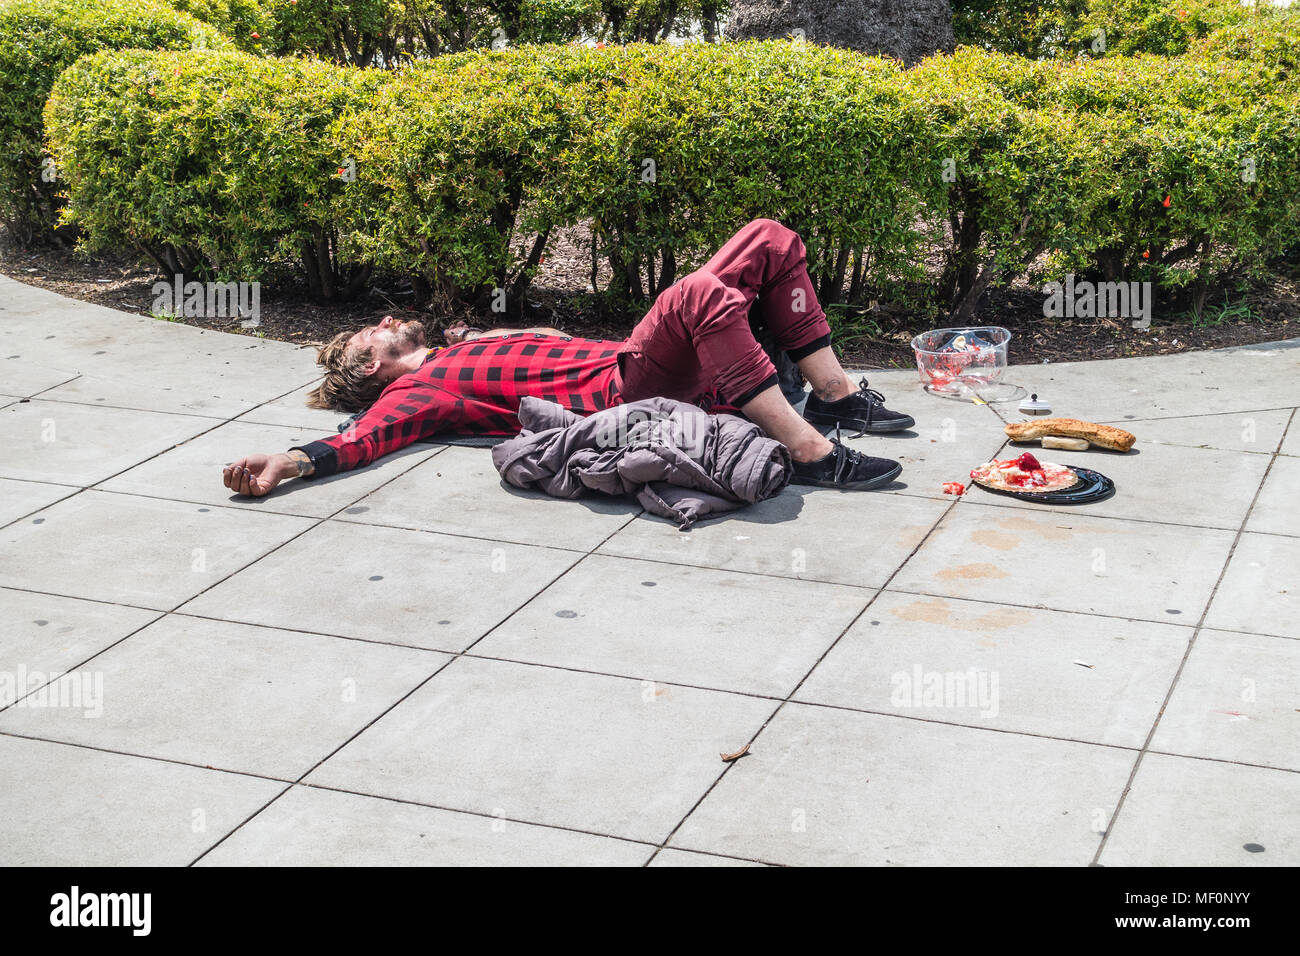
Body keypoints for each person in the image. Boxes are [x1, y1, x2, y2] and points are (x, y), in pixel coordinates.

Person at [222, 219, 915, 497]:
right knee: (698, 291)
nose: (380, 323)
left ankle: (832, 392)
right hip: (629, 390)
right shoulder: (417, 393)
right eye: (366, 337)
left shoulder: (461, 347)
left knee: (769, 237)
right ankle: (809, 451)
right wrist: (292, 461)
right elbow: (365, 441)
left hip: (644, 363)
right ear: (369, 369)